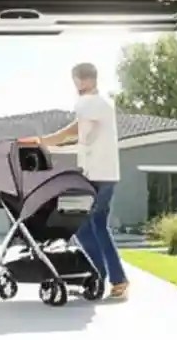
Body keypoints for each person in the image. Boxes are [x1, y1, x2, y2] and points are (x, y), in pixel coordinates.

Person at [23, 62, 130, 299]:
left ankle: (101, 276)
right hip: (106, 174)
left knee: (82, 226)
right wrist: (47, 141)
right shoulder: (102, 103)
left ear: (86, 80)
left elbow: (81, 133)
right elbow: (78, 131)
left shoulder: (87, 102)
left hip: (96, 175)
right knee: (96, 226)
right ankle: (111, 279)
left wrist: (45, 142)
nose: (76, 86)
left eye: (77, 81)